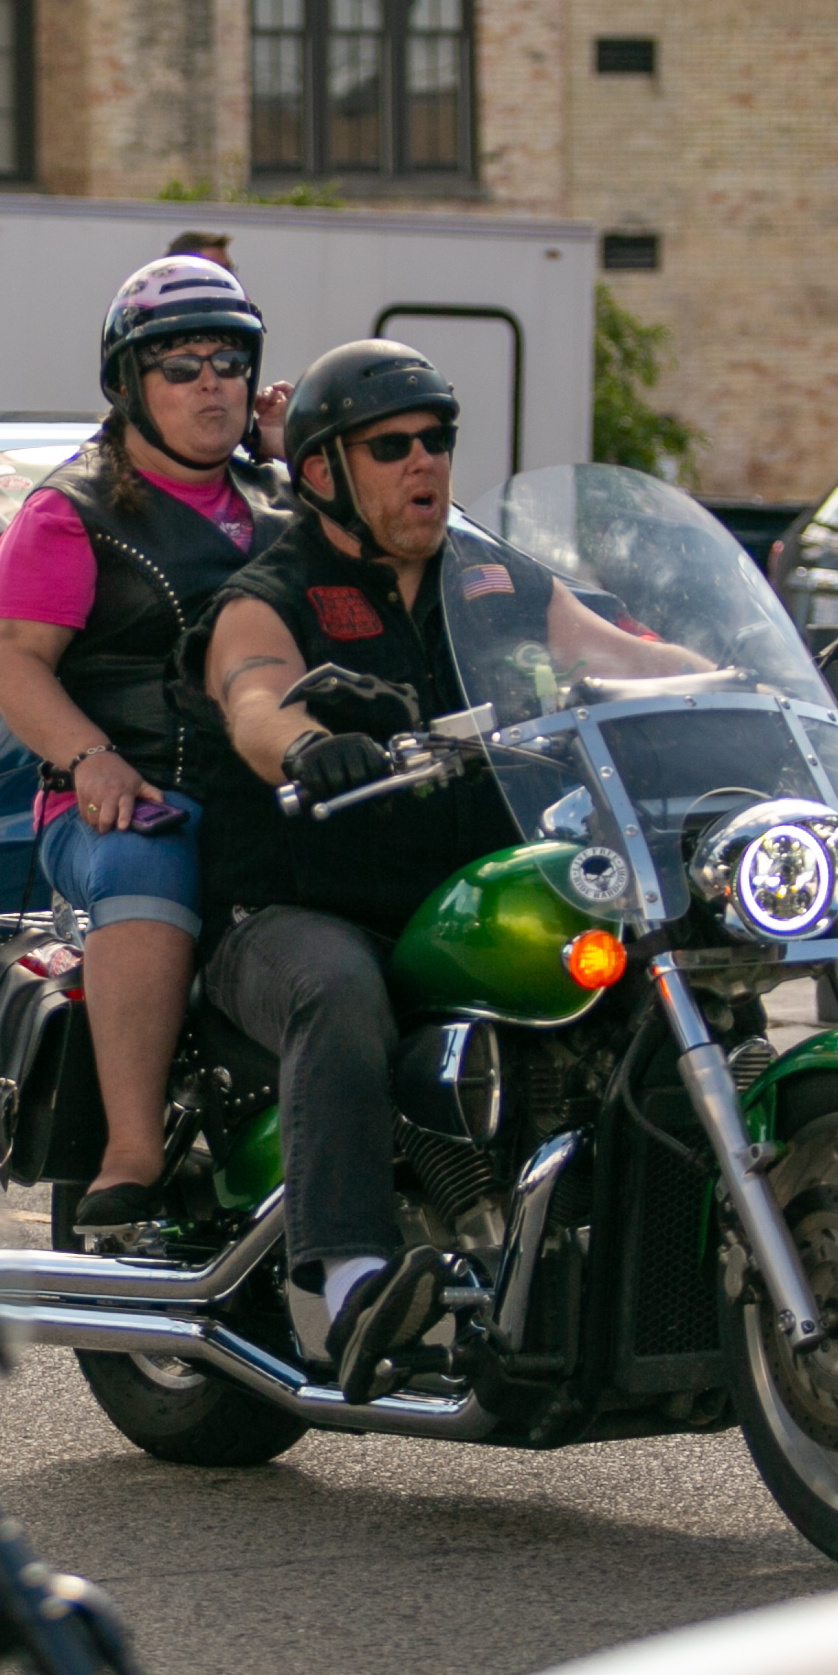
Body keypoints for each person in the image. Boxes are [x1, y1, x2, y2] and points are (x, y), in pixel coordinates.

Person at [178, 340, 702, 1399]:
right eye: (390, 447)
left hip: (452, 895)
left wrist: (753, 691)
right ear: (322, 469)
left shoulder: (492, 577)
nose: (423, 464)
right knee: (337, 985)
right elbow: (250, 693)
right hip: (290, 909)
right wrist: (303, 741)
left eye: (436, 440)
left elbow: (626, 659)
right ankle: (345, 1283)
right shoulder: (270, 589)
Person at [0, 257, 293, 1230]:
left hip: (269, 786)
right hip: (124, 794)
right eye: (180, 365)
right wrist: (89, 756)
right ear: (127, 386)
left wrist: (302, 458)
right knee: (148, 852)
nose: (210, 384)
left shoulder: (277, 500)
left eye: (228, 362)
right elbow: (8, 660)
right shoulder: (71, 513)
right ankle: (131, 1146)